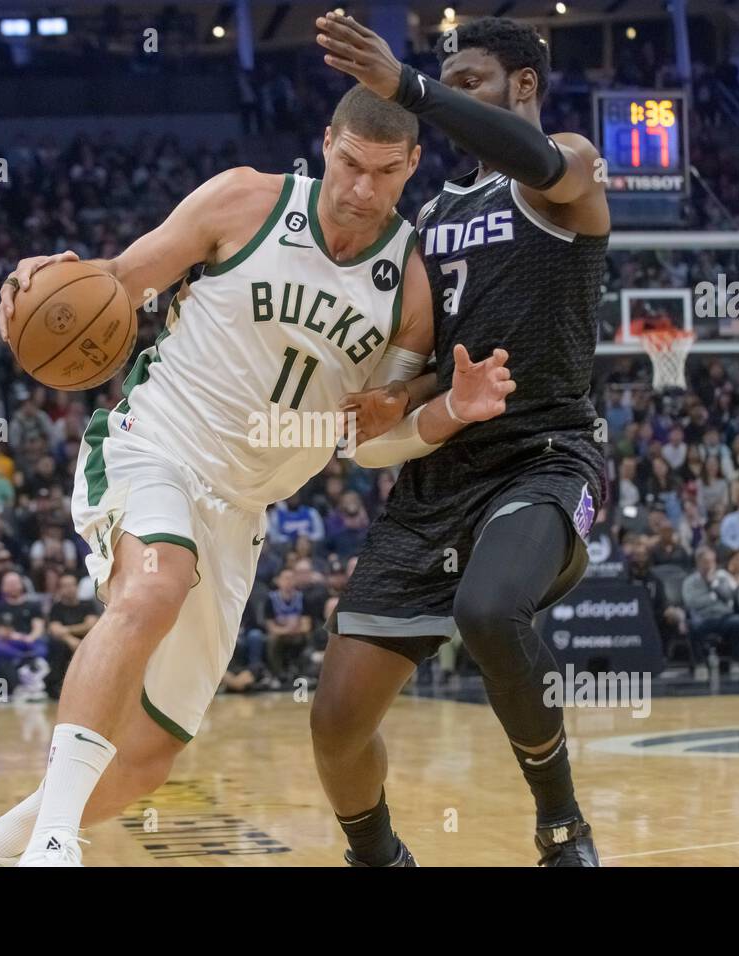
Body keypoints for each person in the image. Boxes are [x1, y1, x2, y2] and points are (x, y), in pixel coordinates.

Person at [0, 84, 512, 867]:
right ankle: (52, 843)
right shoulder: (243, 201)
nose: (361, 188)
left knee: (147, 758)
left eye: (384, 172)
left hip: (243, 508)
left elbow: (372, 444)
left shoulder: (409, 285)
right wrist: (41, 276)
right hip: (157, 443)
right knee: (153, 584)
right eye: (349, 163)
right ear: (326, 143)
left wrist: (445, 409)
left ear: (413, 165)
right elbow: (117, 280)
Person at [309, 13, 609, 866]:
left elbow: (544, 164)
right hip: (442, 475)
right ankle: (379, 857)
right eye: (447, 82)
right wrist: (398, 395)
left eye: (468, 81)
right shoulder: (434, 214)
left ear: (522, 86)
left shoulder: (573, 165)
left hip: (545, 453)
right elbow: (447, 362)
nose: (452, 99)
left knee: (486, 610)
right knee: (335, 723)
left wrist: (408, 87)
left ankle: (562, 826)